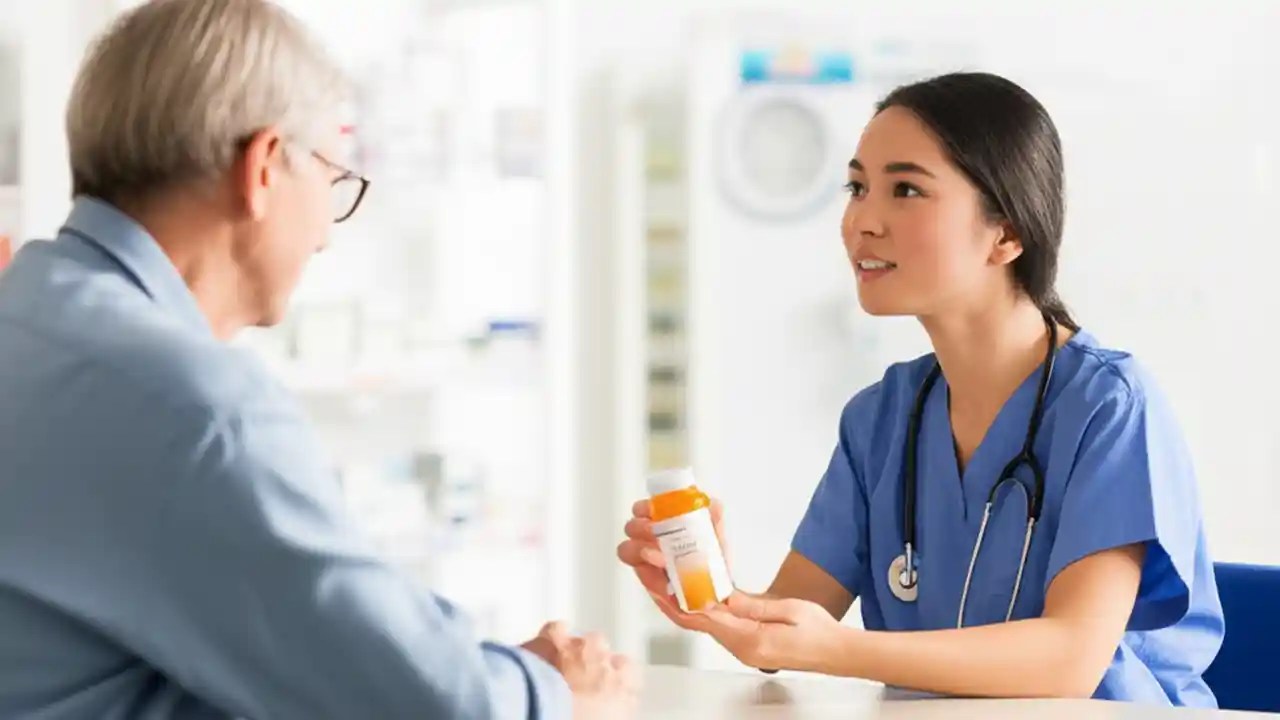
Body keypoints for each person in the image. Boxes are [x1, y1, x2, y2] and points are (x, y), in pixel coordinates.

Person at [0, 1, 635, 718]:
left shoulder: (25, 313)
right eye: (333, 178)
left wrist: (473, 673)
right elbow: (432, 707)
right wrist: (557, 696)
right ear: (264, 167)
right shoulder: (196, 410)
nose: (327, 236)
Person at [618, 71, 1223, 707]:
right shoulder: (881, 419)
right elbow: (783, 625)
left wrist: (836, 650)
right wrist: (706, 591)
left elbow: (1069, 661)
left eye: (905, 190)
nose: (861, 221)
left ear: (1008, 232)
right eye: (857, 187)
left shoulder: (1110, 407)